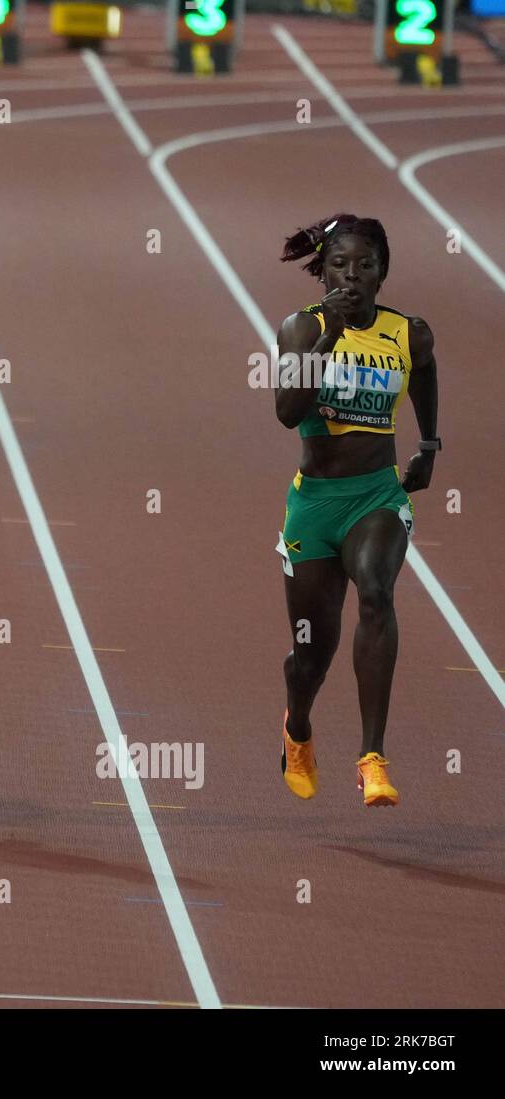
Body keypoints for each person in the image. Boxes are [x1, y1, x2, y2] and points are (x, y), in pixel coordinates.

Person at [274, 214, 439, 807]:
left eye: (365, 265)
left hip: (377, 496)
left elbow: (423, 371)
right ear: (324, 271)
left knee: (376, 591)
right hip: (315, 504)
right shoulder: (301, 328)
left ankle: (372, 757)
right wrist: (329, 339)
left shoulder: (408, 333)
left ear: (382, 272)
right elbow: (288, 411)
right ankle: (297, 725)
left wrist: (428, 445)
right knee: (310, 657)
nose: (352, 275)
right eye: (340, 265)